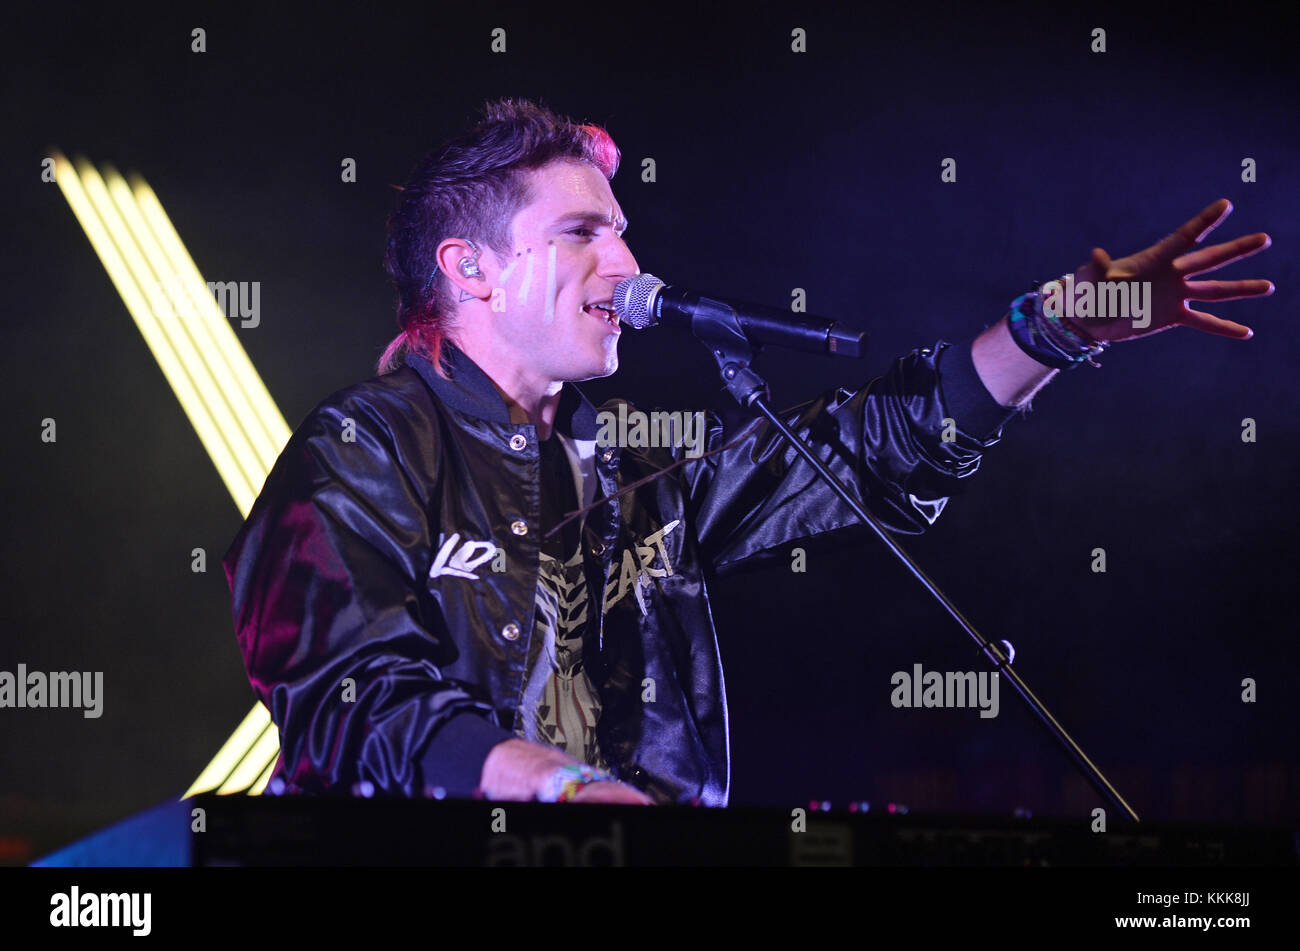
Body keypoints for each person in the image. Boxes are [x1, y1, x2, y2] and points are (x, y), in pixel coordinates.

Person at [222, 98, 1273, 808]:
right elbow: (351, 693)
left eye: (623, 230)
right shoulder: (363, 446)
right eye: (583, 232)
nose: (628, 261)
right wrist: (559, 788)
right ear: (472, 267)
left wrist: (1057, 329)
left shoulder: (629, 469)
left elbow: (861, 450)